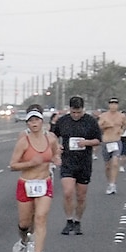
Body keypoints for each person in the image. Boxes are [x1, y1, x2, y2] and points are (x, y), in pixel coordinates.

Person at [7, 104, 60, 252]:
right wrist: (30, 163)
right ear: (27, 124)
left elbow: (56, 152)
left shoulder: (51, 138)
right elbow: (12, 165)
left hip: (44, 182)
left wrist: (57, 158)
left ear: (42, 121)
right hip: (26, 183)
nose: (34, 123)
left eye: (36, 120)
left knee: (40, 218)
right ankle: (24, 240)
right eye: (30, 121)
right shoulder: (23, 142)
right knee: (24, 223)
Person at [51, 95, 102, 236]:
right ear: (70, 109)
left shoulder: (90, 121)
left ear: (83, 110)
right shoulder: (63, 121)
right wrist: (57, 146)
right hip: (68, 161)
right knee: (68, 193)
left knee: (81, 196)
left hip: (84, 162)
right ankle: (68, 221)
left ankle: (77, 221)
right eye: (73, 112)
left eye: (78, 112)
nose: (76, 115)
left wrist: (86, 143)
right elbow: (52, 136)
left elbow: (98, 140)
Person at [97, 97, 126, 195]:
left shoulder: (122, 116)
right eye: (112, 103)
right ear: (109, 105)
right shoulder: (103, 116)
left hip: (116, 141)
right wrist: (106, 126)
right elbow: (98, 127)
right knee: (107, 166)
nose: (113, 105)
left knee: (115, 163)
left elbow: (125, 125)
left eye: (115, 104)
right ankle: (109, 182)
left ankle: (113, 184)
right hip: (106, 141)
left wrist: (122, 130)